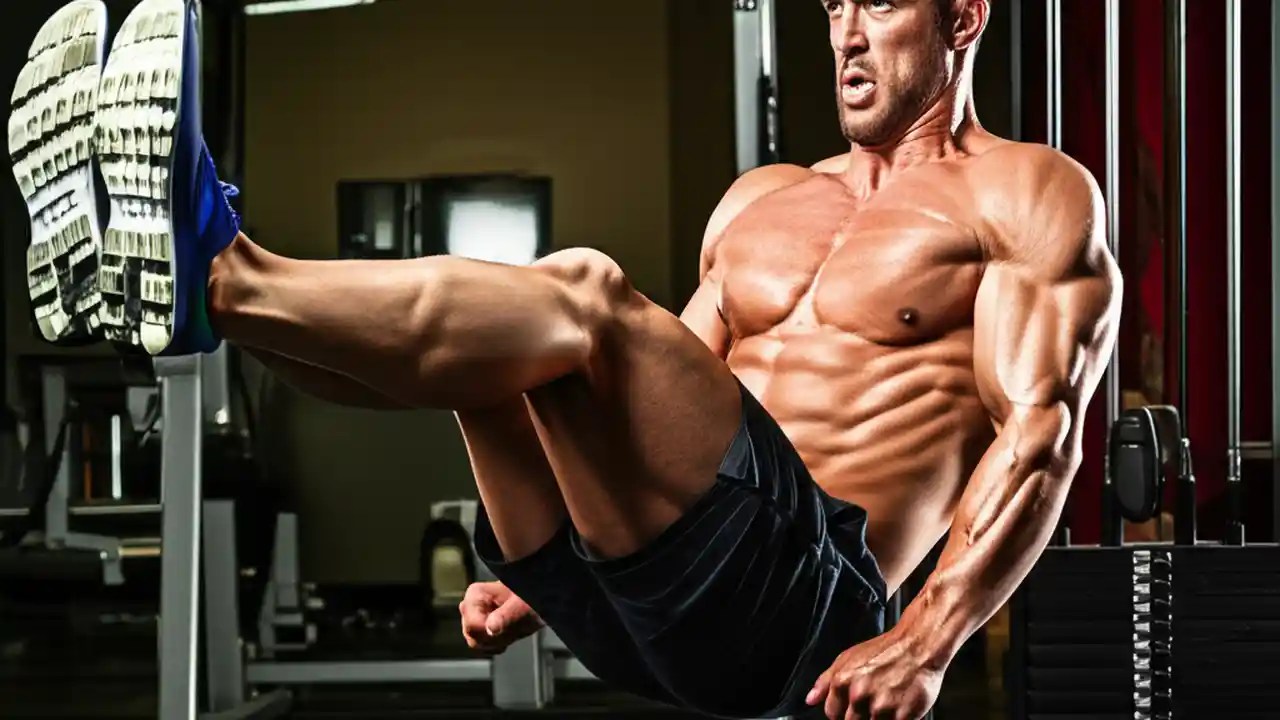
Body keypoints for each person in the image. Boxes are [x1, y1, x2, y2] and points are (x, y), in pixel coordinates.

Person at [11, 0, 1121, 718]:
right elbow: (675, 410)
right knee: (509, 350)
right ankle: (200, 297)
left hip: (798, 613)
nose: (841, 35)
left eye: (876, 5)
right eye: (831, 6)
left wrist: (926, 643)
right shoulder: (765, 199)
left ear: (963, 16)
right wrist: (547, 590)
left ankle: (220, 272)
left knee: (580, 289)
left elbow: (1040, 435)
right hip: (644, 600)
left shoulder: (1025, 192)